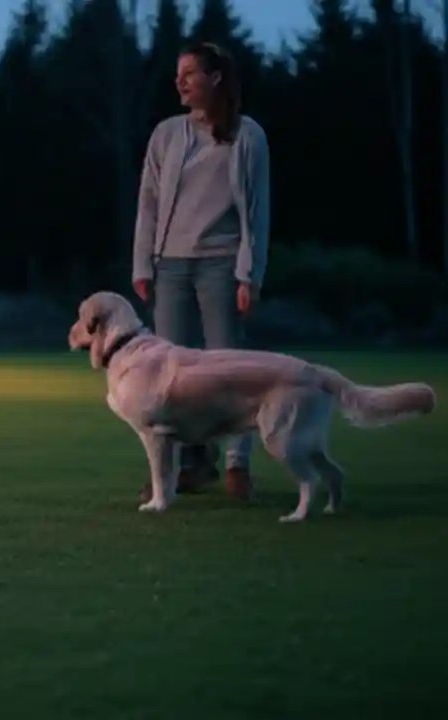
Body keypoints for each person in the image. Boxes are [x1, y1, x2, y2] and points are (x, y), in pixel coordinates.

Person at [131, 41, 271, 502]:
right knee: (172, 377)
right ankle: (192, 465)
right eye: (178, 73)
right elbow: (148, 203)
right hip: (169, 265)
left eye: (190, 72)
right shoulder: (166, 134)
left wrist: (249, 274)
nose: (180, 81)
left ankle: (238, 464)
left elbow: (256, 211)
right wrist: (142, 263)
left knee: (230, 369)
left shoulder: (246, 136)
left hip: (221, 263)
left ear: (214, 78)